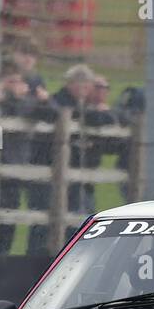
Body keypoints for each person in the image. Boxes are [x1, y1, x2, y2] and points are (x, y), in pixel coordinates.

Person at [51, 64, 120, 224]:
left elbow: (110, 133)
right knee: (77, 220)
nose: (83, 87)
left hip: (84, 174)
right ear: (69, 83)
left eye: (87, 84)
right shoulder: (62, 101)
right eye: (79, 82)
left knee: (83, 217)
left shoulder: (85, 106)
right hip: (66, 170)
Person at [0, 60, 52, 254]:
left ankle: (0, 263)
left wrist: (45, 100)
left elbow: (50, 114)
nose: (17, 85)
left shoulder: (24, 102)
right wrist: (2, 98)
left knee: (8, 222)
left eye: (18, 81)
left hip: (16, 170)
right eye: (11, 81)